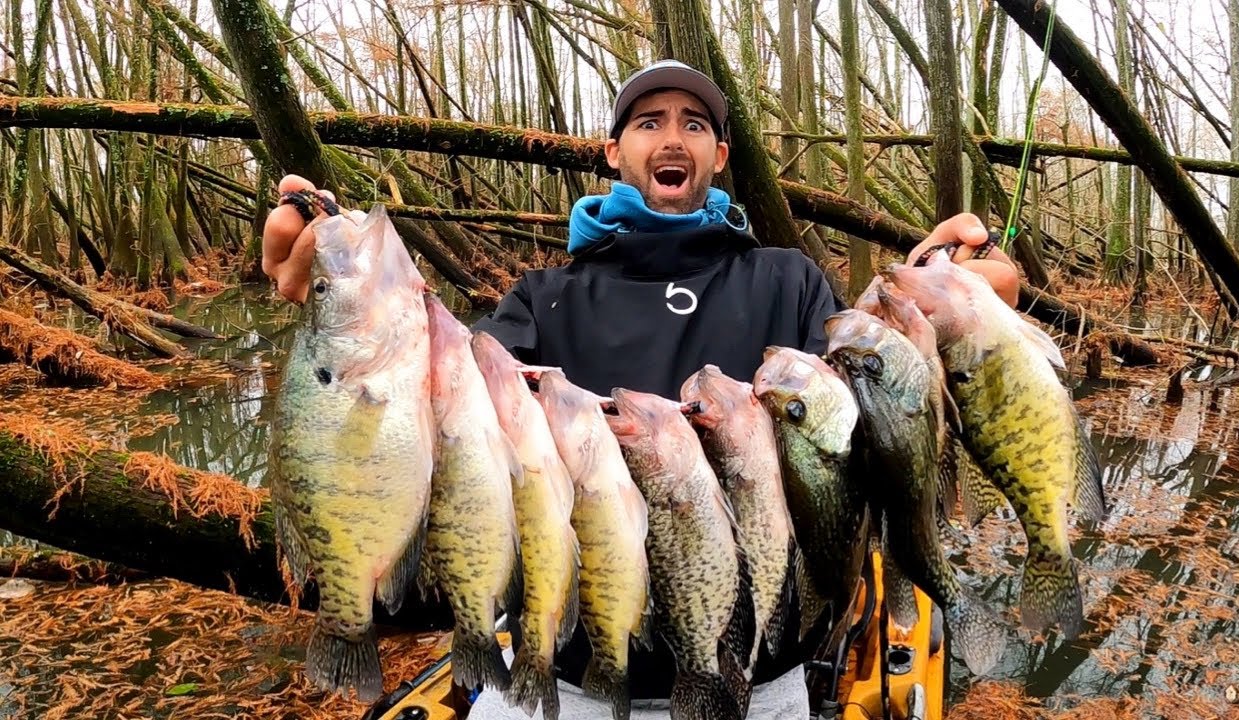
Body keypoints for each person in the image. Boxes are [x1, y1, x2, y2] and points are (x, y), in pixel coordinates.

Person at [262, 60, 1018, 718]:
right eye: (649, 121)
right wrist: (335, 294)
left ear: (719, 155)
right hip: (566, 682)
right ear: (614, 152)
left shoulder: (786, 279)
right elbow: (428, 399)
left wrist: (955, 325)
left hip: (761, 678)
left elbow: (868, 422)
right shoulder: (544, 297)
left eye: (694, 124)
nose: (672, 137)